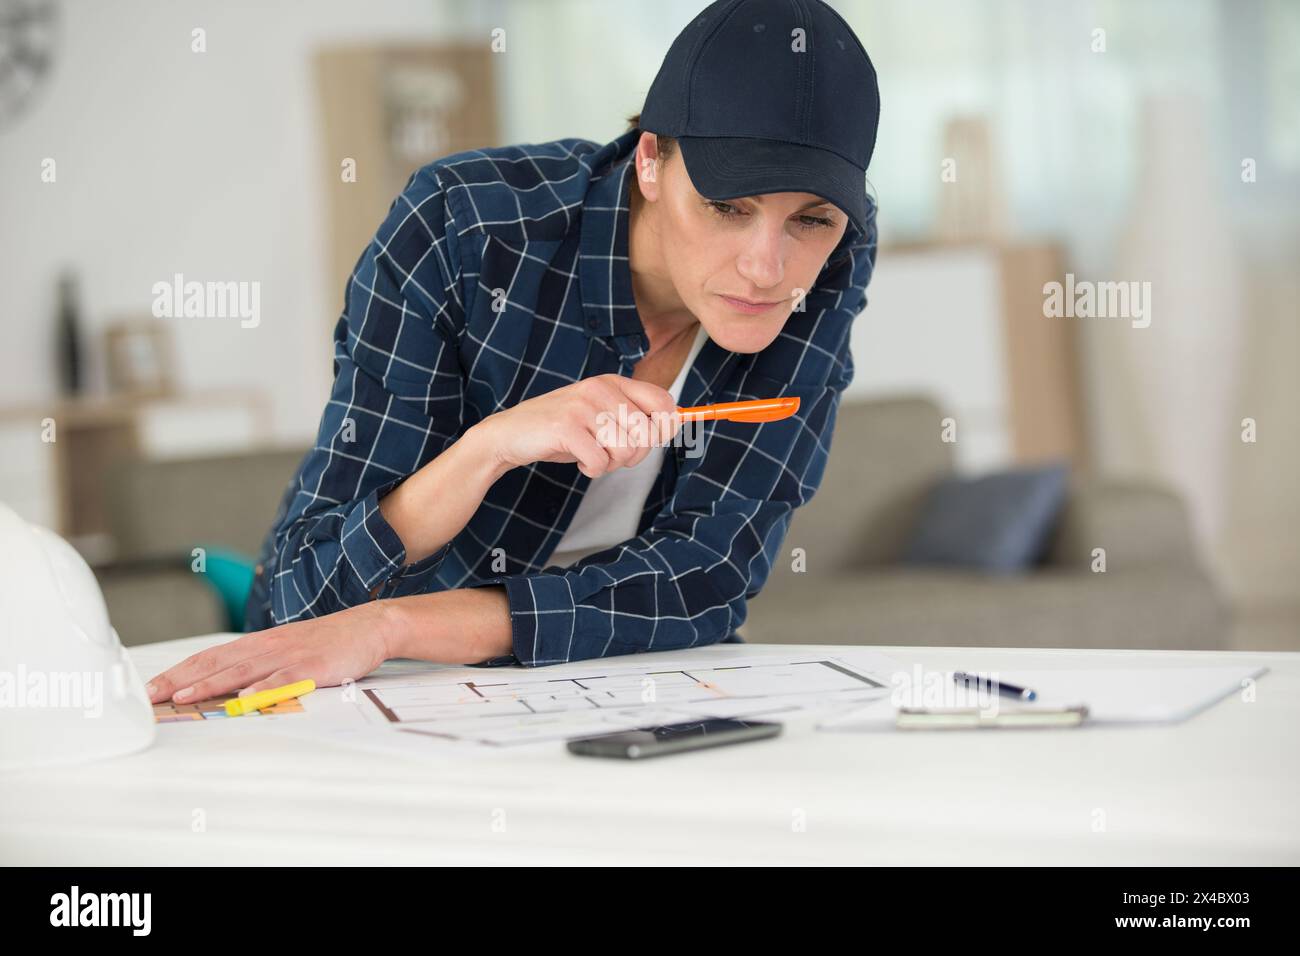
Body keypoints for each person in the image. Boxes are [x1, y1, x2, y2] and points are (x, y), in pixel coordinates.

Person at [145, 0, 881, 707]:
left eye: (810, 220)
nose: (766, 267)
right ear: (652, 160)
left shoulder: (836, 254)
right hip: (390, 690)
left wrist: (396, 623)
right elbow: (302, 596)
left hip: (627, 681)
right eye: (729, 208)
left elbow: (709, 575)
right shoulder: (462, 230)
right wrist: (487, 449)